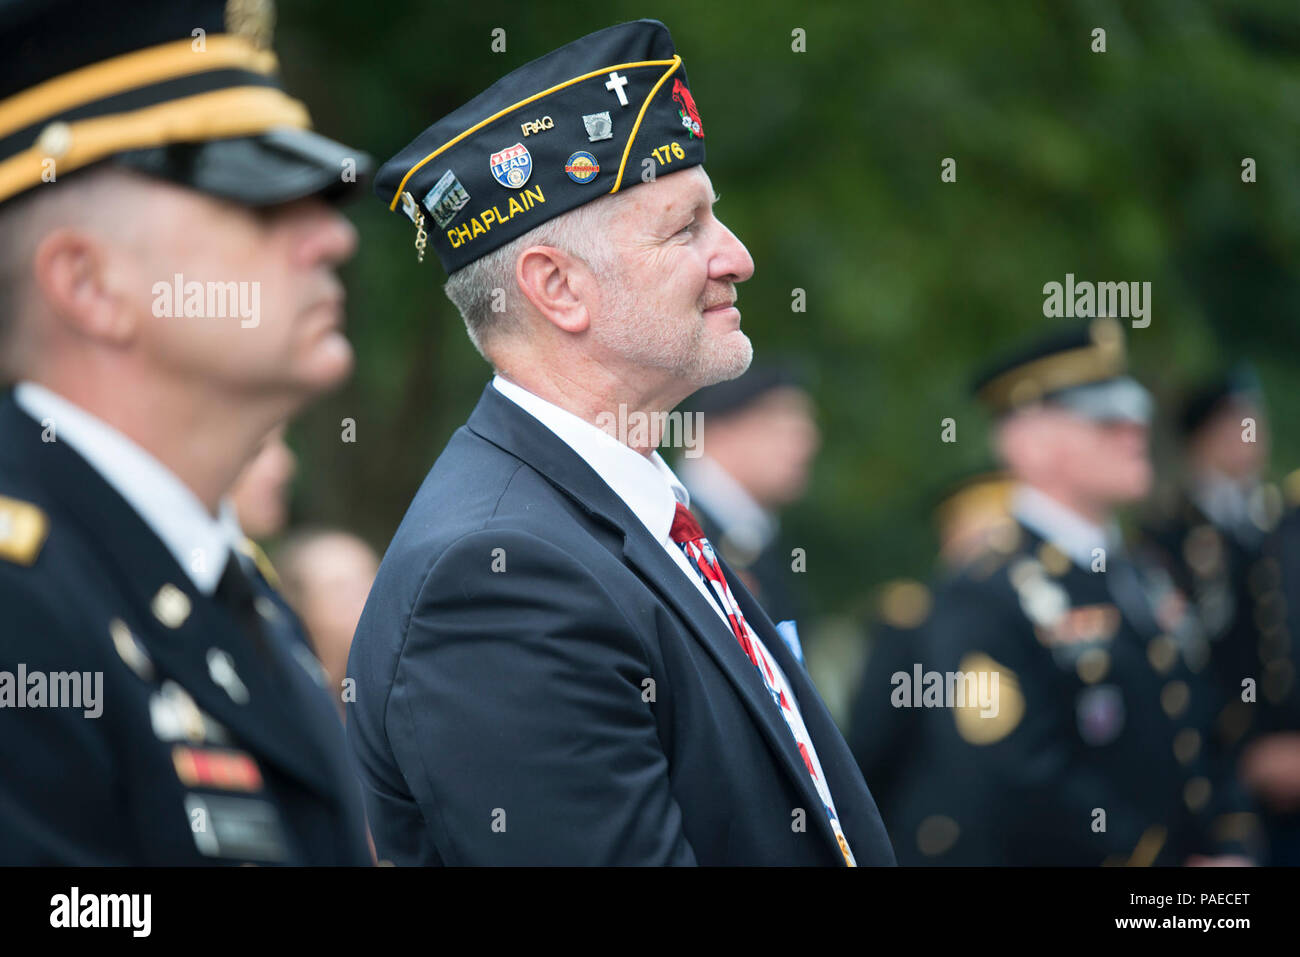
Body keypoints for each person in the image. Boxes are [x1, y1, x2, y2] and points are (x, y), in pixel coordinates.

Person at [347, 19, 895, 866]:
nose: (738, 258)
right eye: (687, 230)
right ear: (558, 288)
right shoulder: (499, 575)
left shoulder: (619, 517)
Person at [0, 0, 373, 864]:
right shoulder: (20, 606)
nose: (332, 236)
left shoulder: (232, 587)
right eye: (258, 199)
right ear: (88, 285)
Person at [892, 318, 1257, 864]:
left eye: (1134, 415)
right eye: (1105, 419)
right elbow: (1015, 778)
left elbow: (1204, 723)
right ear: (1029, 443)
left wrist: (1231, 845)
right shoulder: (984, 593)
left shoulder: (1144, 572)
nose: (1134, 431)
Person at [1140, 368, 1300, 862]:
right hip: (1226, 785)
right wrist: (1249, 756)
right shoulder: (1165, 542)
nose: (1249, 434)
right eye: (1232, 422)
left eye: (1254, 419)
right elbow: (1178, 674)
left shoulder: (1288, 523)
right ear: (1199, 437)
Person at [677, 362, 820, 627]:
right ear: (714, 431)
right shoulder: (675, 529)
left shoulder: (755, 539)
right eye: (778, 426)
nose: (804, 445)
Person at [274, 528, 380, 709]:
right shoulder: (283, 702)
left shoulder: (389, 694)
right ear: (296, 604)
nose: (366, 599)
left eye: (374, 582)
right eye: (341, 588)